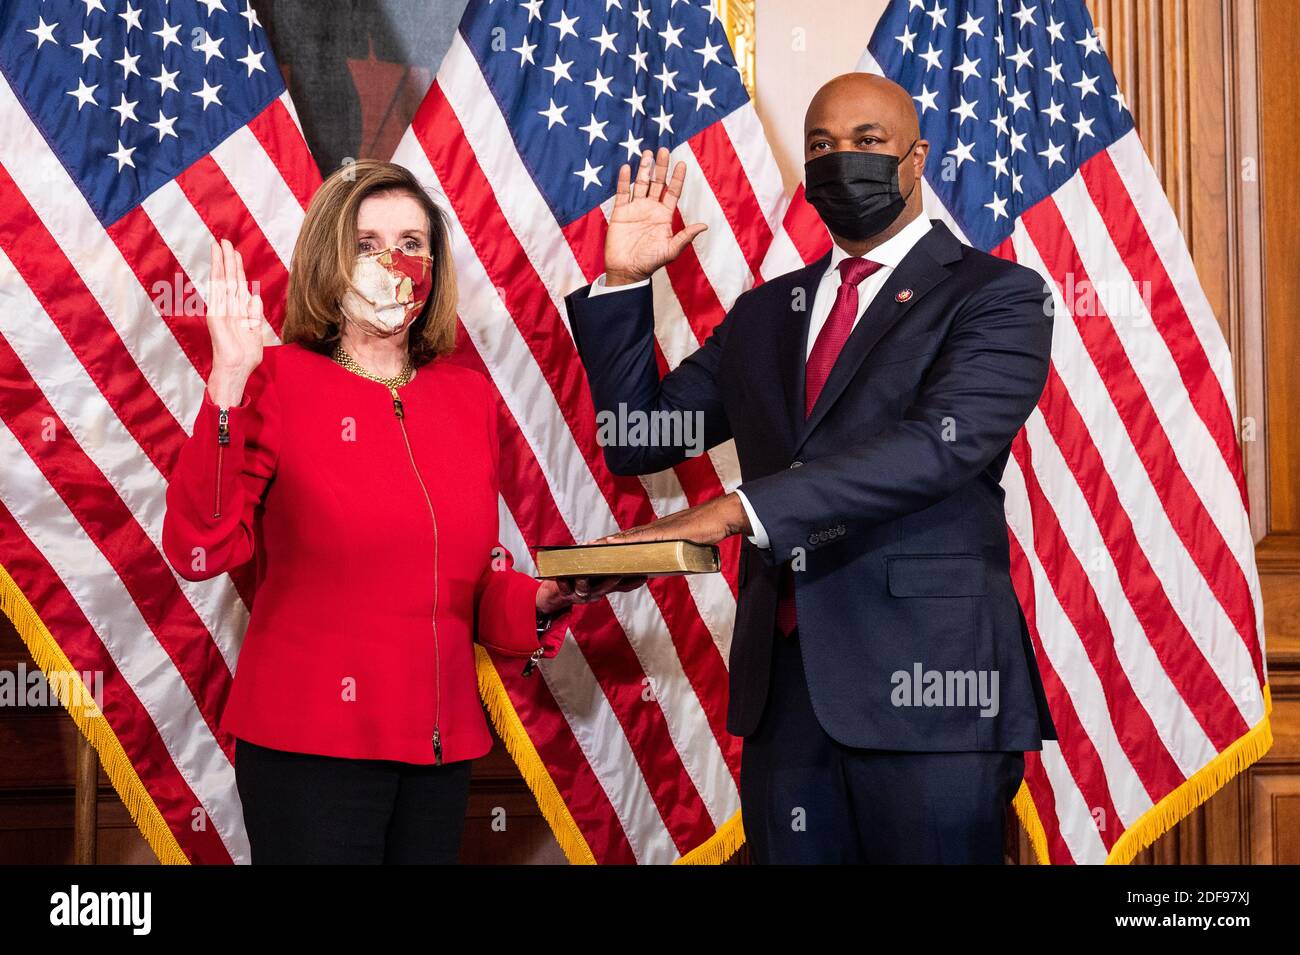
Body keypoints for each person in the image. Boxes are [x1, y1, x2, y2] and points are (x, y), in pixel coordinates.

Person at [566, 73, 1057, 863]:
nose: (842, 159)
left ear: (916, 156)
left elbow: (937, 446)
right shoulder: (768, 311)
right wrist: (625, 279)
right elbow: (638, 435)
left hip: (932, 693)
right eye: (822, 145)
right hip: (786, 696)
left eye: (867, 142)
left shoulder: (999, 296)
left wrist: (735, 509)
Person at [163, 159, 639, 864]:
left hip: (438, 755)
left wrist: (547, 595)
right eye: (367, 242)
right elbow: (199, 548)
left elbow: (467, 588)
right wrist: (227, 383)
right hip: (312, 751)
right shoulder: (276, 380)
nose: (395, 260)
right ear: (331, 258)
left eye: (414, 242)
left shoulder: (467, 396)